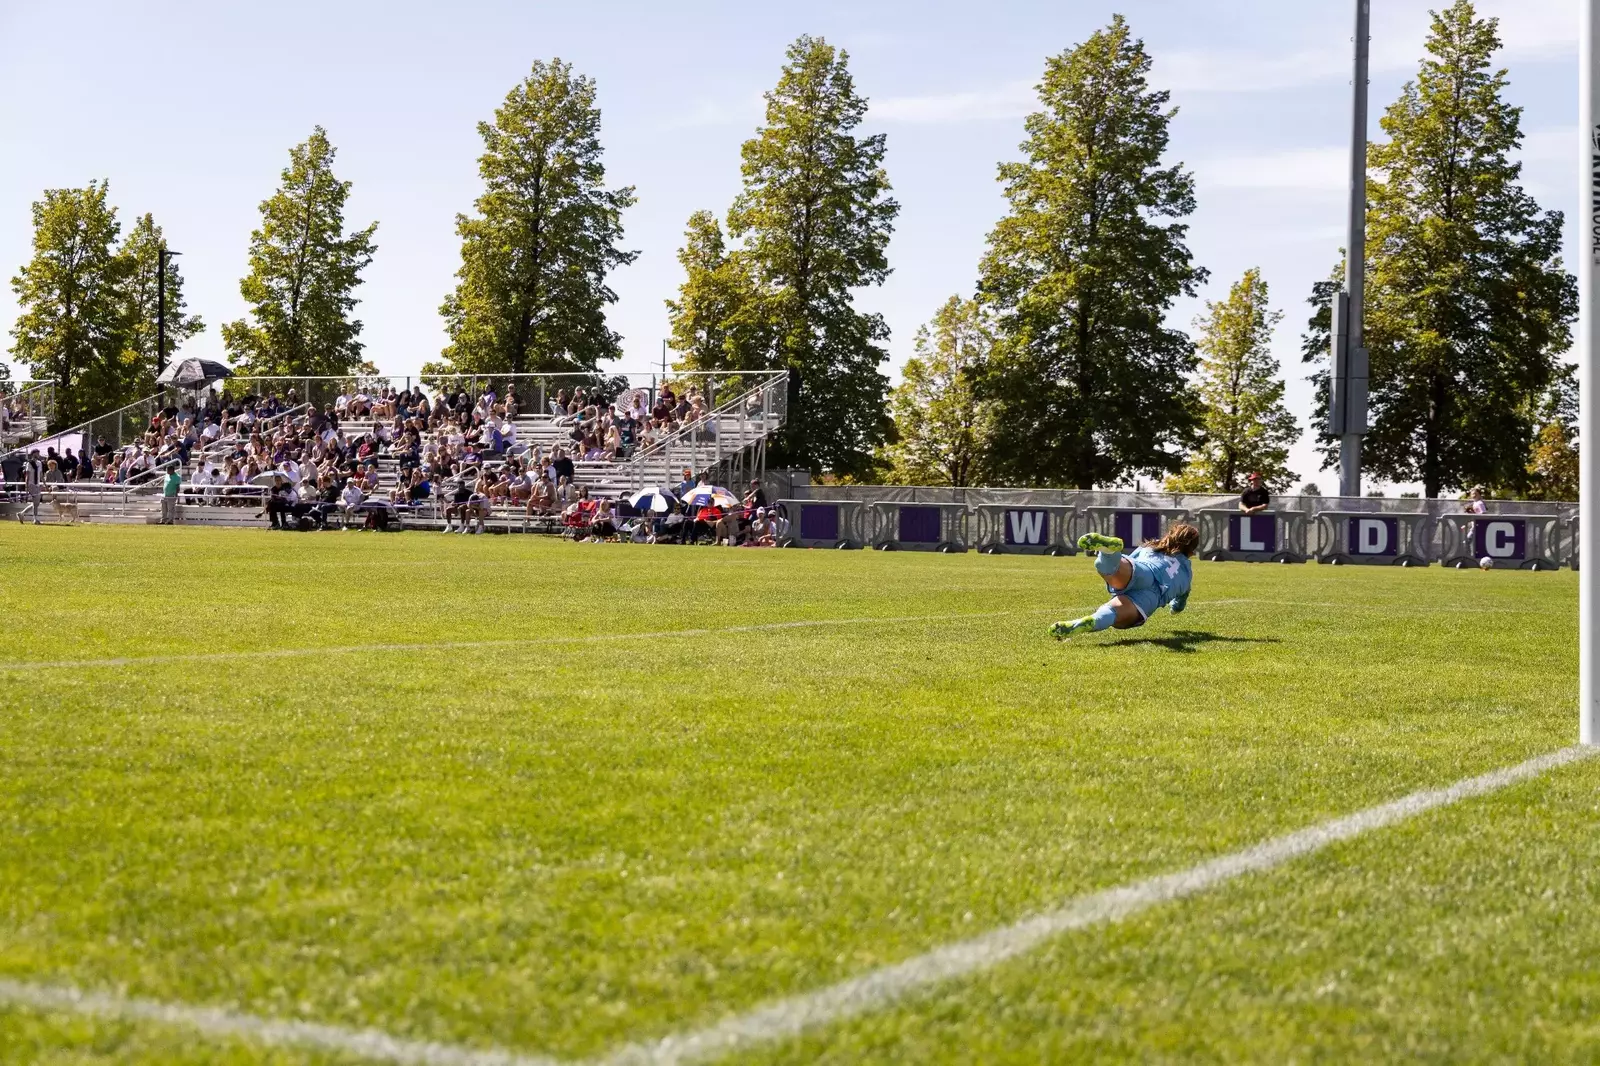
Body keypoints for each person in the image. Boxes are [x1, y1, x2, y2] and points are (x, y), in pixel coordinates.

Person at [1050, 524, 1200, 638]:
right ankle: (1088, 621)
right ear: (1192, 551)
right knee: (1112, 613)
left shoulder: (1150, 547)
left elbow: (1130, 562)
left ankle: (1108, 553)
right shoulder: (1187, 574)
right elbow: (1181, 601)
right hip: (1152, 597)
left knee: (1115, 567)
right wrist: (1175, 608)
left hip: (1145, 570)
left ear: (1170, 535)